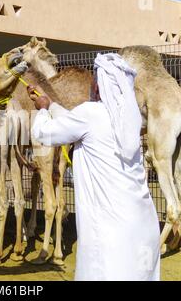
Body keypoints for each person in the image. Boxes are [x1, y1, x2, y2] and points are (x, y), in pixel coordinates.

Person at [28, 53, 160, 281]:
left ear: (98, 89)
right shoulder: (129, 119)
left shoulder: (90, 114)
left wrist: (41, 110)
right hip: (142, 228)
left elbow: (44, 133)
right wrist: (51, 105)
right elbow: (78, 125)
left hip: (110, 233)